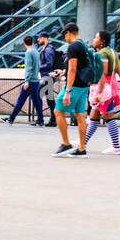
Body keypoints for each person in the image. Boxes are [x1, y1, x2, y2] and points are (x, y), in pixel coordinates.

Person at [85, 29, 120, 154]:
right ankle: (83, 143)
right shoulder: (113, 52)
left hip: (103, 88)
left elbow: (103, 72)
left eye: (96, 38)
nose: (94, 40)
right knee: (94, 117)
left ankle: (116, 147)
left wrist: (99, 92)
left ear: (102, 41)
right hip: (111, 87)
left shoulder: (102, 54)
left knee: (109, 117)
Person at [52, 23, 95, 158]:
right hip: (84, 85)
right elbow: (78, 67)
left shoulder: (73, 46)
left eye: (64, 34)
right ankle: (82, 149)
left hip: (74, 86)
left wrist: (68, 91)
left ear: (69, 33)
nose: (64, 37)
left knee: (58, 110)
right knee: (80, 115)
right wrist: (63, 72)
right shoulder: (83, 45)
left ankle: (66, 144)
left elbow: (73, 68)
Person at [2, 35, 43, 126]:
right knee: (37, 102)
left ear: (24, 43)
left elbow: (29, 67)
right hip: (36, 80)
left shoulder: (28, 52)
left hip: (30, 81)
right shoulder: (36, 51)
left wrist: (27, 81)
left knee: (20, 100)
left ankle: (11, 119)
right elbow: (38, 65)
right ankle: (41, 121)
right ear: (32, 42)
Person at [37, 32, 61, 127]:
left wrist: (38, 67)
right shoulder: (47, 49)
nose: (38, 40)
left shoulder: (48, 50)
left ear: (44, 38)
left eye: (39, 38)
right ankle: (54, 120)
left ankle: (40, 119)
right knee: (50, 99)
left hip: (47, 77)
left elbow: (49, 64)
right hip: (48, 77)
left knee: (37, 96)